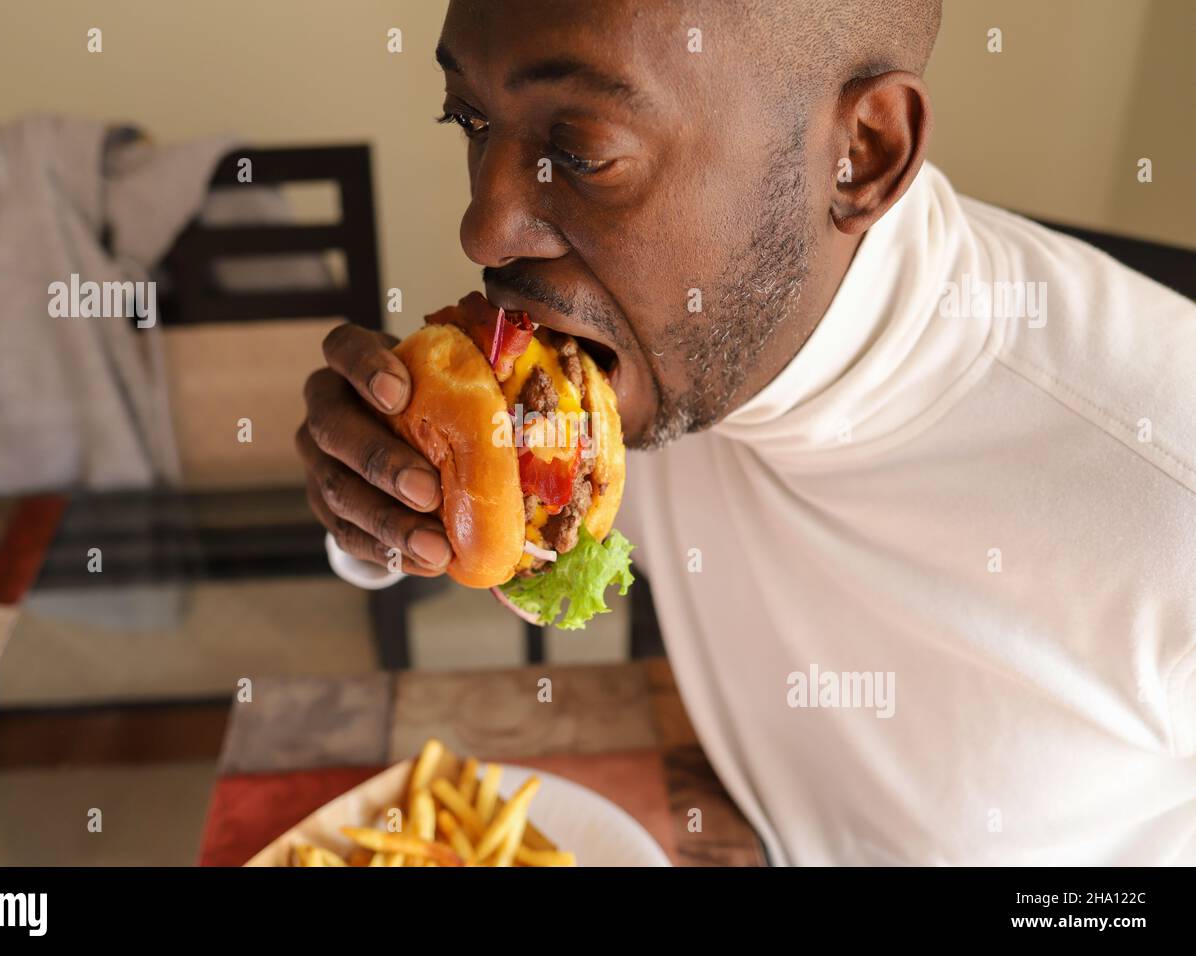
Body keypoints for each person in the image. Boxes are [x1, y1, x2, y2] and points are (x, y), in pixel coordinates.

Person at [296, 0, 1196, 864]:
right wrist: (384, 504)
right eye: (471, 120)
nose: (483, 231)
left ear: (862, 154)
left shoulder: (1166, 492)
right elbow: (480, 529)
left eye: (579, 151)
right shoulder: (636, 356)